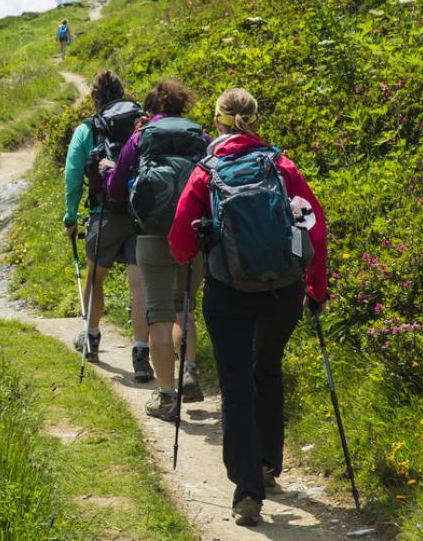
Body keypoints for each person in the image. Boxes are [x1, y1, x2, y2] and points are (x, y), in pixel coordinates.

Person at [168, 88, 328, 527]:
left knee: (235, 385)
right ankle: (267, 465)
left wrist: (200, 247)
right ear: (257, 121)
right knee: (268, 369)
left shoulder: (206, 172)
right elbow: (315, 228)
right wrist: (316, 287)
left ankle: (246, 494)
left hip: (228, 292)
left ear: (217, 122)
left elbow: (179, 243)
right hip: (282, 290)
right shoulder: (282, 166)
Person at [101, 79, 209, 420]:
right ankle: (189, 369)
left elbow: (118, 188)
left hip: (151, 236)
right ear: (183, 106)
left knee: (159, 316)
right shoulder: (201, 137)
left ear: (150, 109)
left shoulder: (141, 136)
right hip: (193, 235)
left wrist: (107, 175)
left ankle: (166, 398)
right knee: (184, 307)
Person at [63, 70, 151, 380]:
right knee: (139, 285)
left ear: (94, 98)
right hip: (140, 214)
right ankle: (141, 354)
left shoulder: (88, 129)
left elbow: (74, 175)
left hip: (103, 213)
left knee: (95, 279)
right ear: (124, 92)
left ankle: (92, 336)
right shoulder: (141, 124)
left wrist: (70, 216)